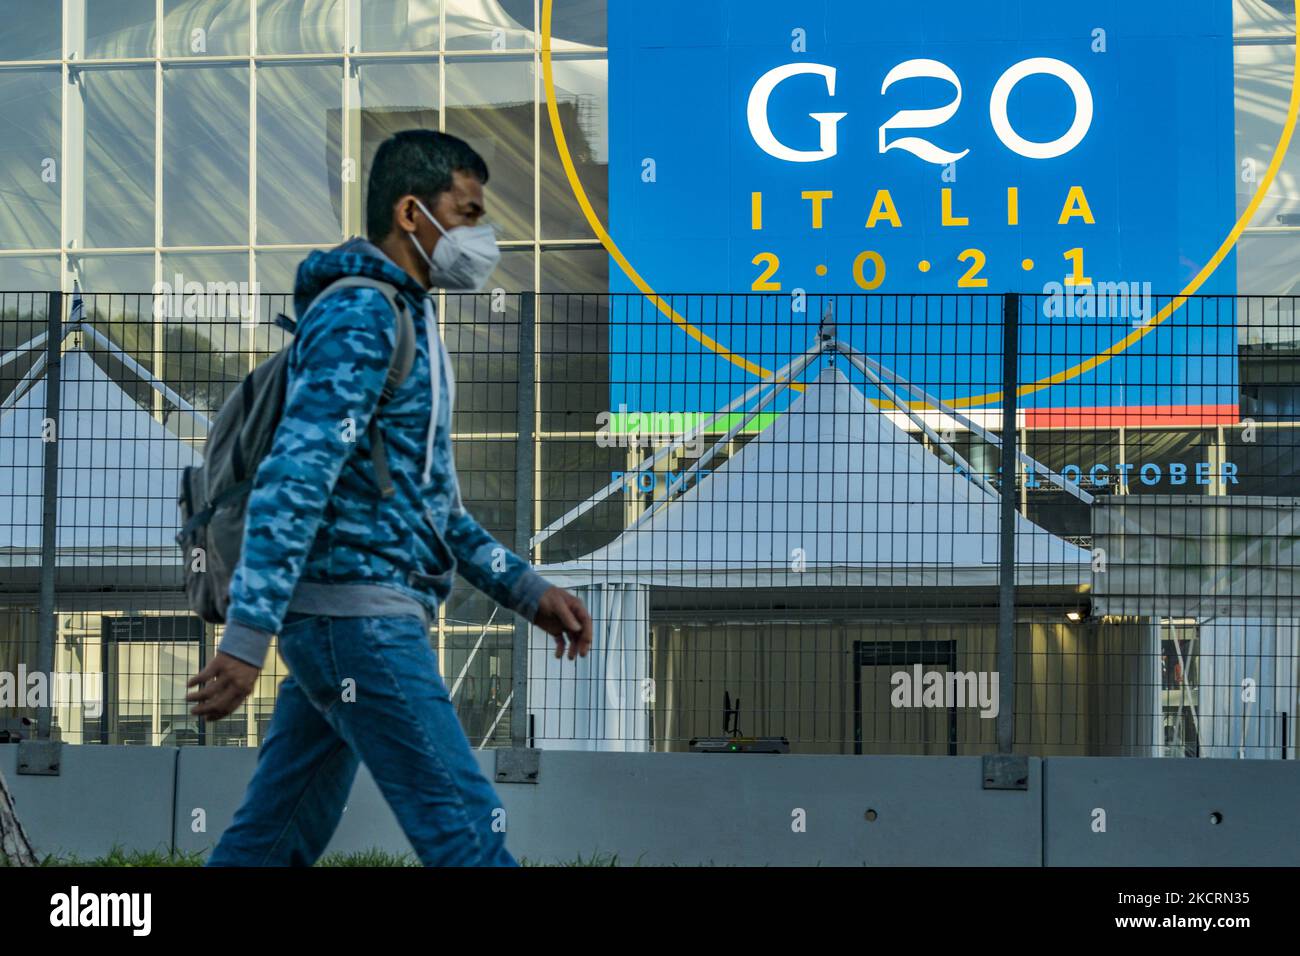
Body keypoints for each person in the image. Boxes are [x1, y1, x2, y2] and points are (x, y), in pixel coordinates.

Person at [188, 129, 592, 867]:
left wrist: (527, 588)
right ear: (412, 214)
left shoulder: (412, 319)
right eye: (467, 214)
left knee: (271, 842)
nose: (481, 235)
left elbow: (434, 510)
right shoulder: (364, 314)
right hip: (358, 622)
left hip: (349, 620)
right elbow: (295, 474)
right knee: (469, 833)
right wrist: (246, 639)